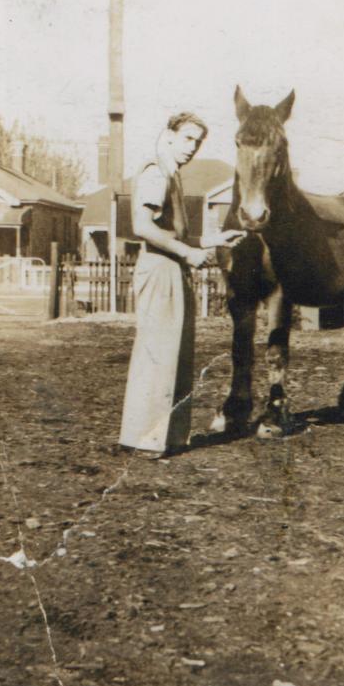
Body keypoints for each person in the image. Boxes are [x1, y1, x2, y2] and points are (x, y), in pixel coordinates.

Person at [118, 112, 244, 458]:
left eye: (198, 142)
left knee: (175, 353)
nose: (192, 147)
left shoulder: (172, 174)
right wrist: (188, 254)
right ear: (169, 134)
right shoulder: (157, 172)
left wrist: (214, 240)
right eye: (188, 138)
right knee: (158, 353)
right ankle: (145, 439)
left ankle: (167, 438)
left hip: (173, 267)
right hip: (160, 269)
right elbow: (142, 226)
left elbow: (174, 234)